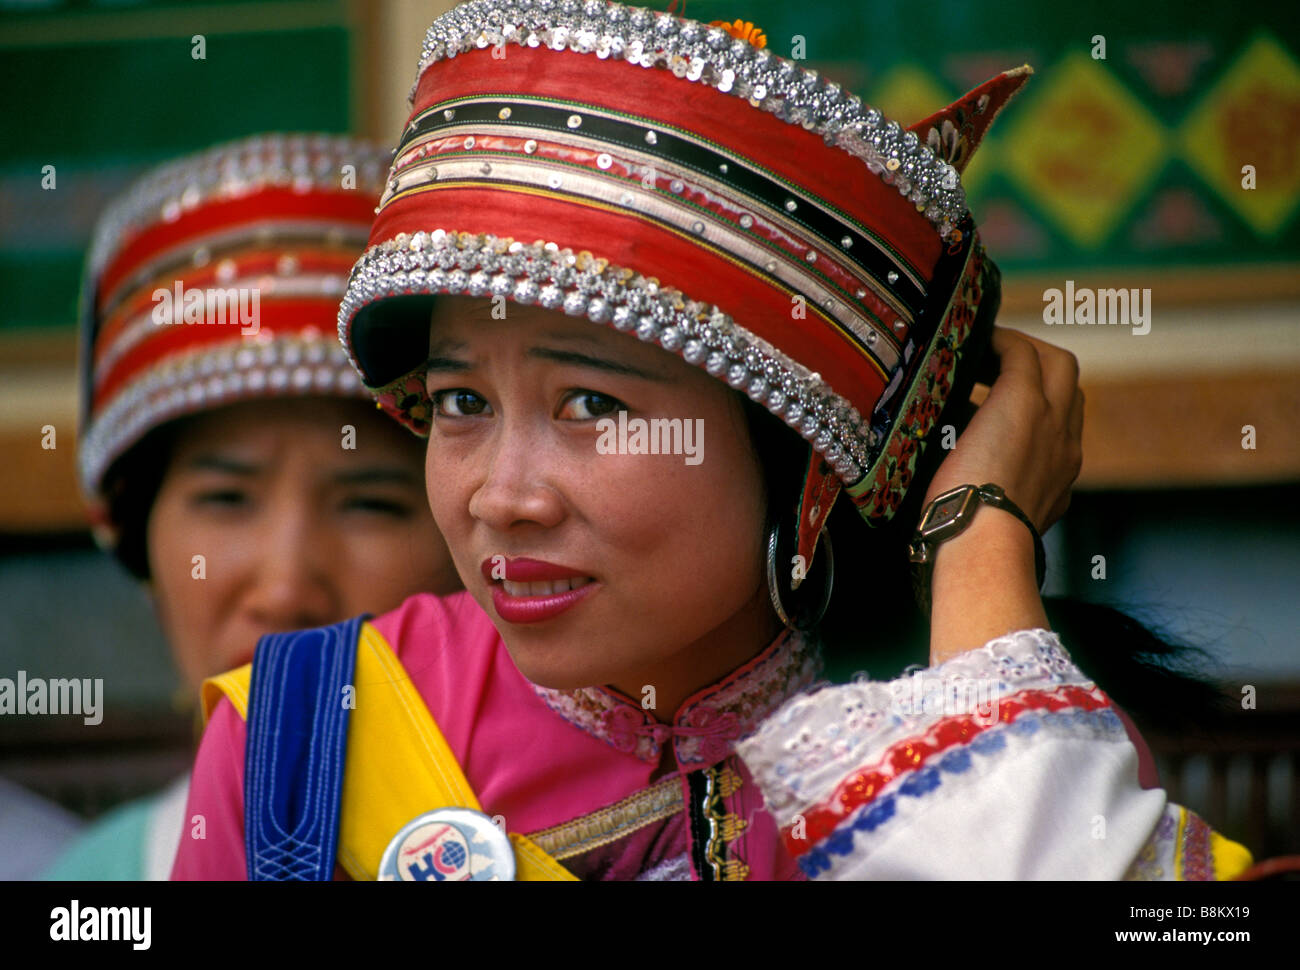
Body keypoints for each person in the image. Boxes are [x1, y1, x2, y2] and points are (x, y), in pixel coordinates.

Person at [173, 2, 1251, 880]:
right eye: (462, 404)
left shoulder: (1000, 753)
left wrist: (979, 533)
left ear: (807, 465)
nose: (502, 497)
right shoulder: (304, 737)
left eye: (591, 406)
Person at [44, 133, 461, 881]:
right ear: (142, 541)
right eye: (227, 498)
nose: (285, 590)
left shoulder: (600, 847)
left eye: (369, 503)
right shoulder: (94, 883)